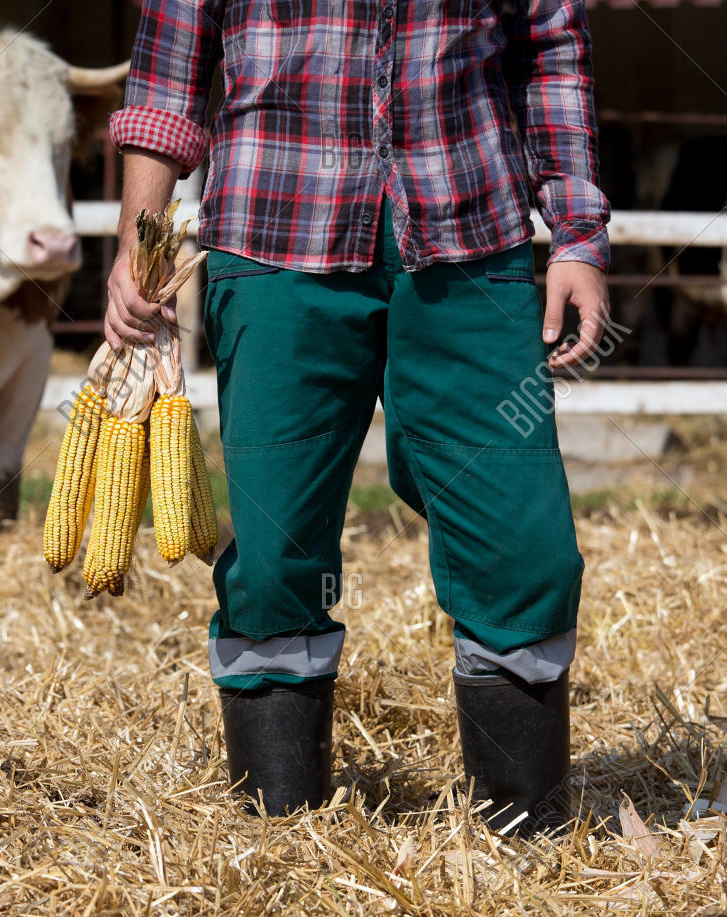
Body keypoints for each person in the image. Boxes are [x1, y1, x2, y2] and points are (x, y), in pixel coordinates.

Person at [105, 2, 611, 833]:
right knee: (273, 557)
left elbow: (552, 48)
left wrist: (577, 238)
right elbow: (169, 68)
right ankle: (283, 835)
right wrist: (139, 240)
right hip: (275, 237)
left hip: (470, 238)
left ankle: (525, 841)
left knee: (524, 544)